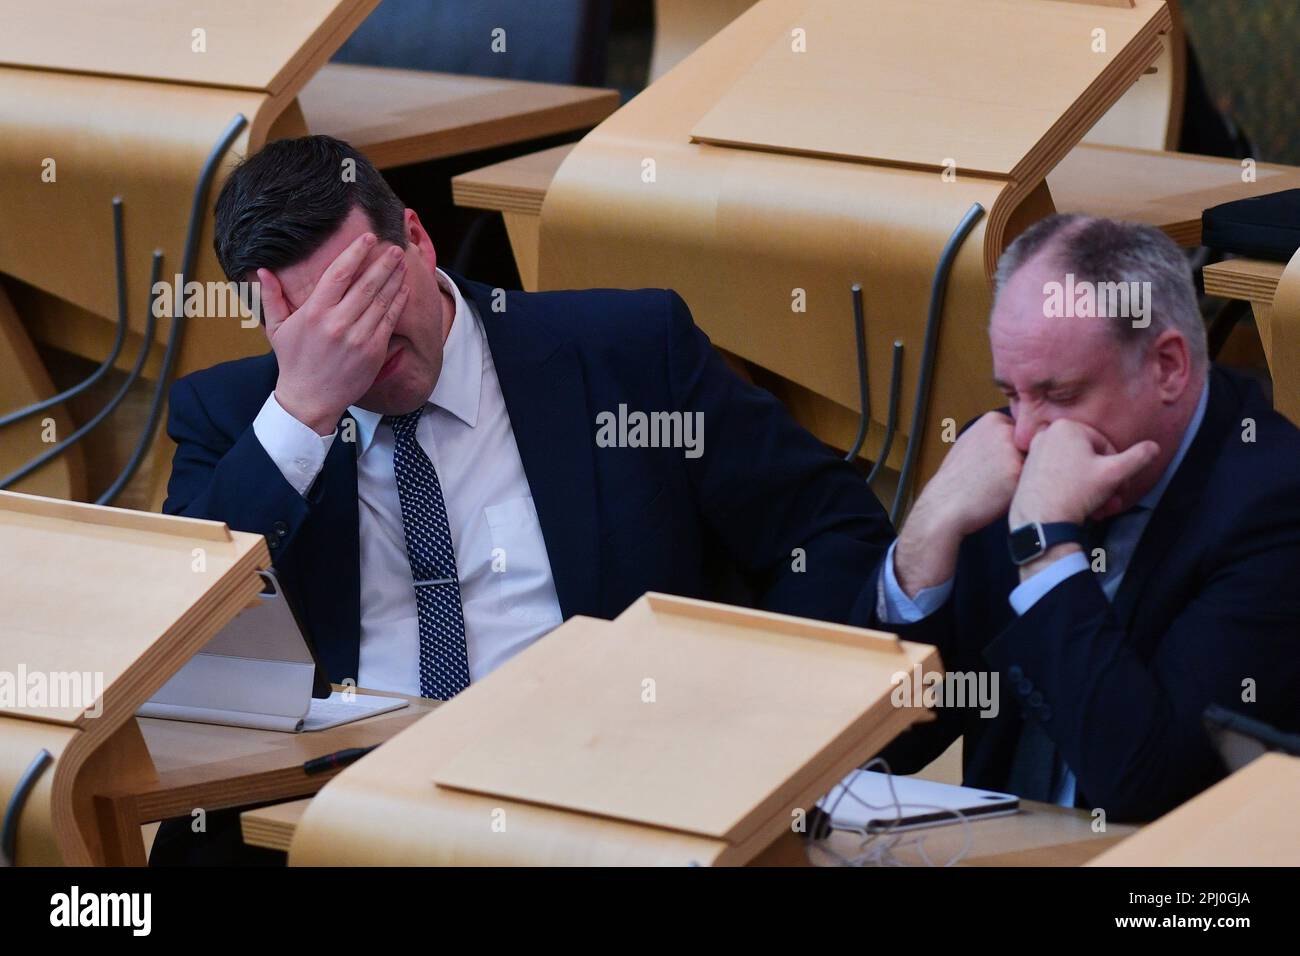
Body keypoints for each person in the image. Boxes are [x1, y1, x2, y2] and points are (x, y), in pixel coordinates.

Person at [152, 135, 893, 862]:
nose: (363, 344)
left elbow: (830, 534)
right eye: (320, 324)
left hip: (595, 804)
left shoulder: (629, 352)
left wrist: (749, 729)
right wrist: (302, 412)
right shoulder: (231, 417)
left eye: (371, 295)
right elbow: (178, 642)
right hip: (339, 818)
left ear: (417, 239)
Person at [863, 213, 1300, 821]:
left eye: (1060, 396)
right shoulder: (1004, 458)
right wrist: (927, 530)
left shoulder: (1276, 507)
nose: (1025, 433)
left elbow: (1146, 788)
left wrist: (1045, 547)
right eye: (1011, 394)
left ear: (1168, 366)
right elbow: (882, 743)